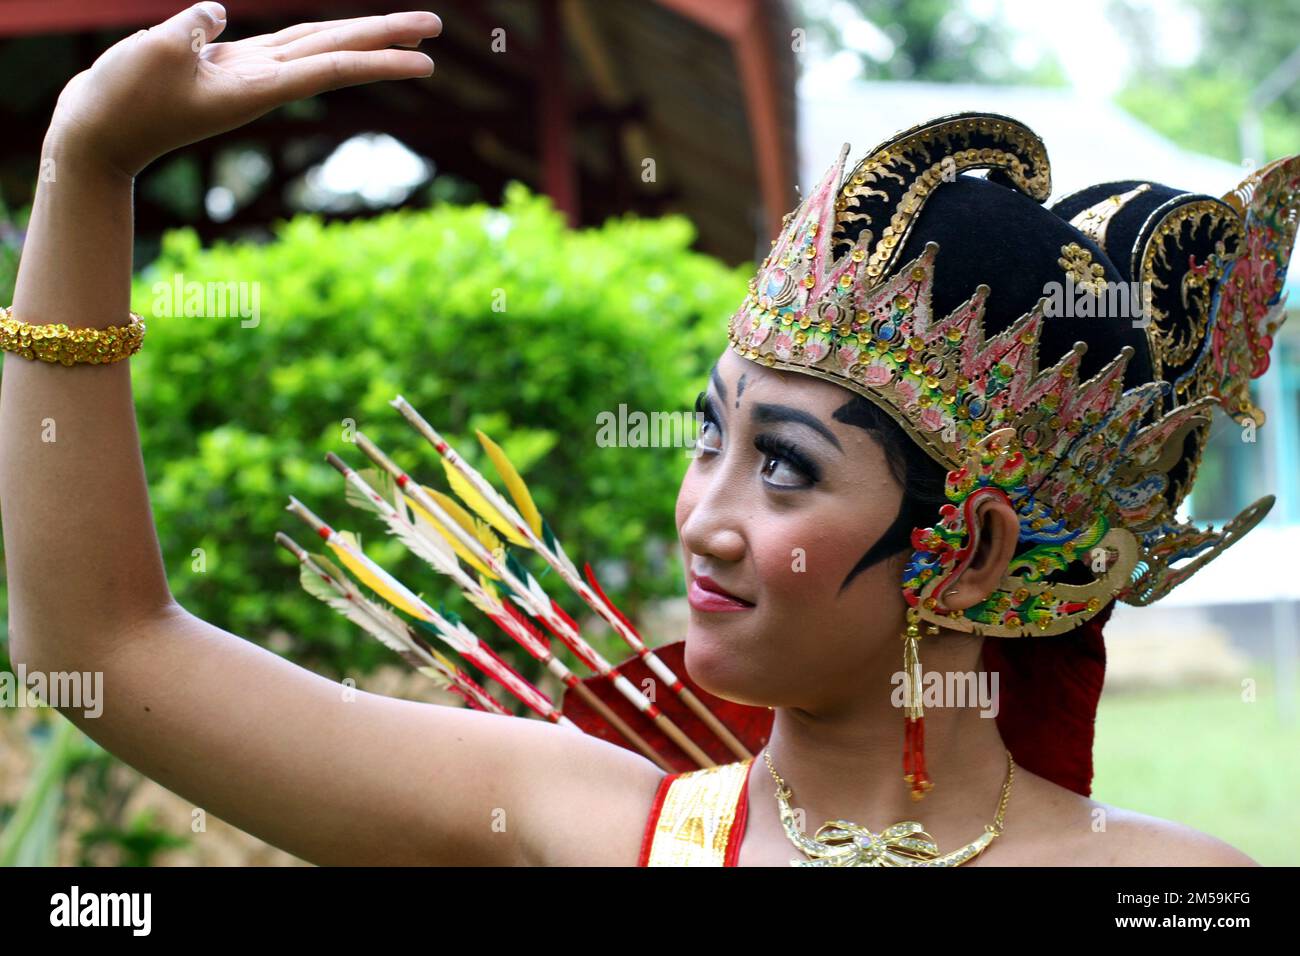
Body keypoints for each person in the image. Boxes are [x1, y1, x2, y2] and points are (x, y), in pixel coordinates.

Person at [0, 5, 1287, 867]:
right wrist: (87, 170)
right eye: (706, 436)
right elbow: (100, 655)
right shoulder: (592, 822)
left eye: (781, 464)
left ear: (970, 547)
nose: (701, 513)